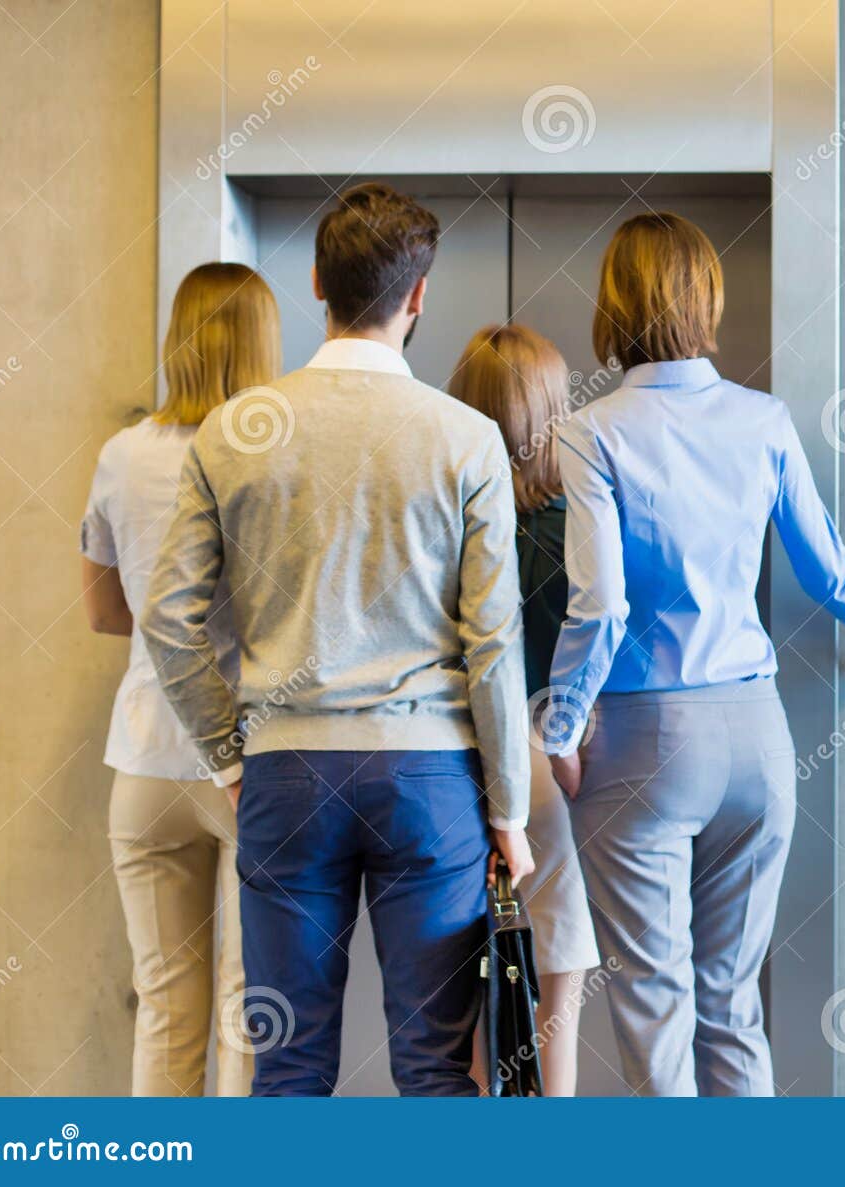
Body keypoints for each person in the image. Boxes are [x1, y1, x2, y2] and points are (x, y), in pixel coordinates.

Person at [140, 182, 533, 1097]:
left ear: (317, 282)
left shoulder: (235, 432)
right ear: (420, 294)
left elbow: (167, 617)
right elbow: (495, 644)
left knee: (290, 1065)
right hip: (429, 779)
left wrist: (231, 756)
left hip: (287, 775)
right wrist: (507, 808)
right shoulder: (467, 440)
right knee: (435, 1068)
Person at [543, 212, 845, 1096]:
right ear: (703, 299)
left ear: (615, 305)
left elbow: (600, 605)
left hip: (643, 744)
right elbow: (826, 566)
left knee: (656, 1009)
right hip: (757, 741)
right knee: (732, 1007)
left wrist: (560, 728)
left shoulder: (591, 432)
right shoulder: (763, 419)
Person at [79, 261, 280, 1096]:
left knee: (164, 1005)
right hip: (253, 764)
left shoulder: (122, 455)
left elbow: (105, 612)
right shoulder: (276, 452)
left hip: (148, 756)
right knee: (246, 1007)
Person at [449, 324, 601, 1096]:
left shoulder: (446, 528)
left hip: (453, 771)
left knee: (476, 996)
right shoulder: (570, 528)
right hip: (551, 771)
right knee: (557, 1000)